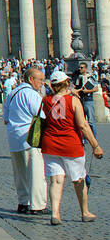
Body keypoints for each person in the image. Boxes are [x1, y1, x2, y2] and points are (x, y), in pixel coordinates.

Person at [39, 69, 103, 224]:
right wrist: (95, 145)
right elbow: (83, 125)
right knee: (78, 180)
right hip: (70, 144)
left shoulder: (46, 100)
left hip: (50, 144)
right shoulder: (73, 100)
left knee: (56, 180)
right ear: (66, 83)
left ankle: (55, 214)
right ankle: (85, 212)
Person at [3, 65, 49, 215]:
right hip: (30, 137)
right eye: (40, 80)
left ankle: (23, 202)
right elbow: (41, 116)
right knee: (36, 172)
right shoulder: (32, 95)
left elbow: (5, 118)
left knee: (20, 173)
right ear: (31, 79)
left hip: (13, 137)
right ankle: (38, 205)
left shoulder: (11, 93)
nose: (42, 83)